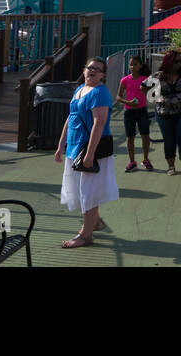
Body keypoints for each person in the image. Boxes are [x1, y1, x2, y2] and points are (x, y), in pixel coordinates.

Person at [55, 58, 118, 248]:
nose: (93, 71)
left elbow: (99, 123)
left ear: (102, 75)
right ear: (84, 70)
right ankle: (95, 221)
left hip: (91, 149)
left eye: (97, 70)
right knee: (81, 190)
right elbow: (71, 117)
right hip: (75, 148)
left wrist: (90, 154)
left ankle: (86, 234)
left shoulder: (100, 93)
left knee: (88, 193)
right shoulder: (79, 90)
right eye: (90, 67)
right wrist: (61, 145)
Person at [115, 55, 153, 172]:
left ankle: (146, 160)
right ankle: (132, 162)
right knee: (130, 137)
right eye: (131, 64)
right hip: (129, 112)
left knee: (145, 136)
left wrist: (145, 90)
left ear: (140, 65)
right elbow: (118, 97)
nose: (133, 66)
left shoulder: (145, 79)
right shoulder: (124, 80)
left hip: (142, 111)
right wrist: (128, 102)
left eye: (135, 64)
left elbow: (152, 95)